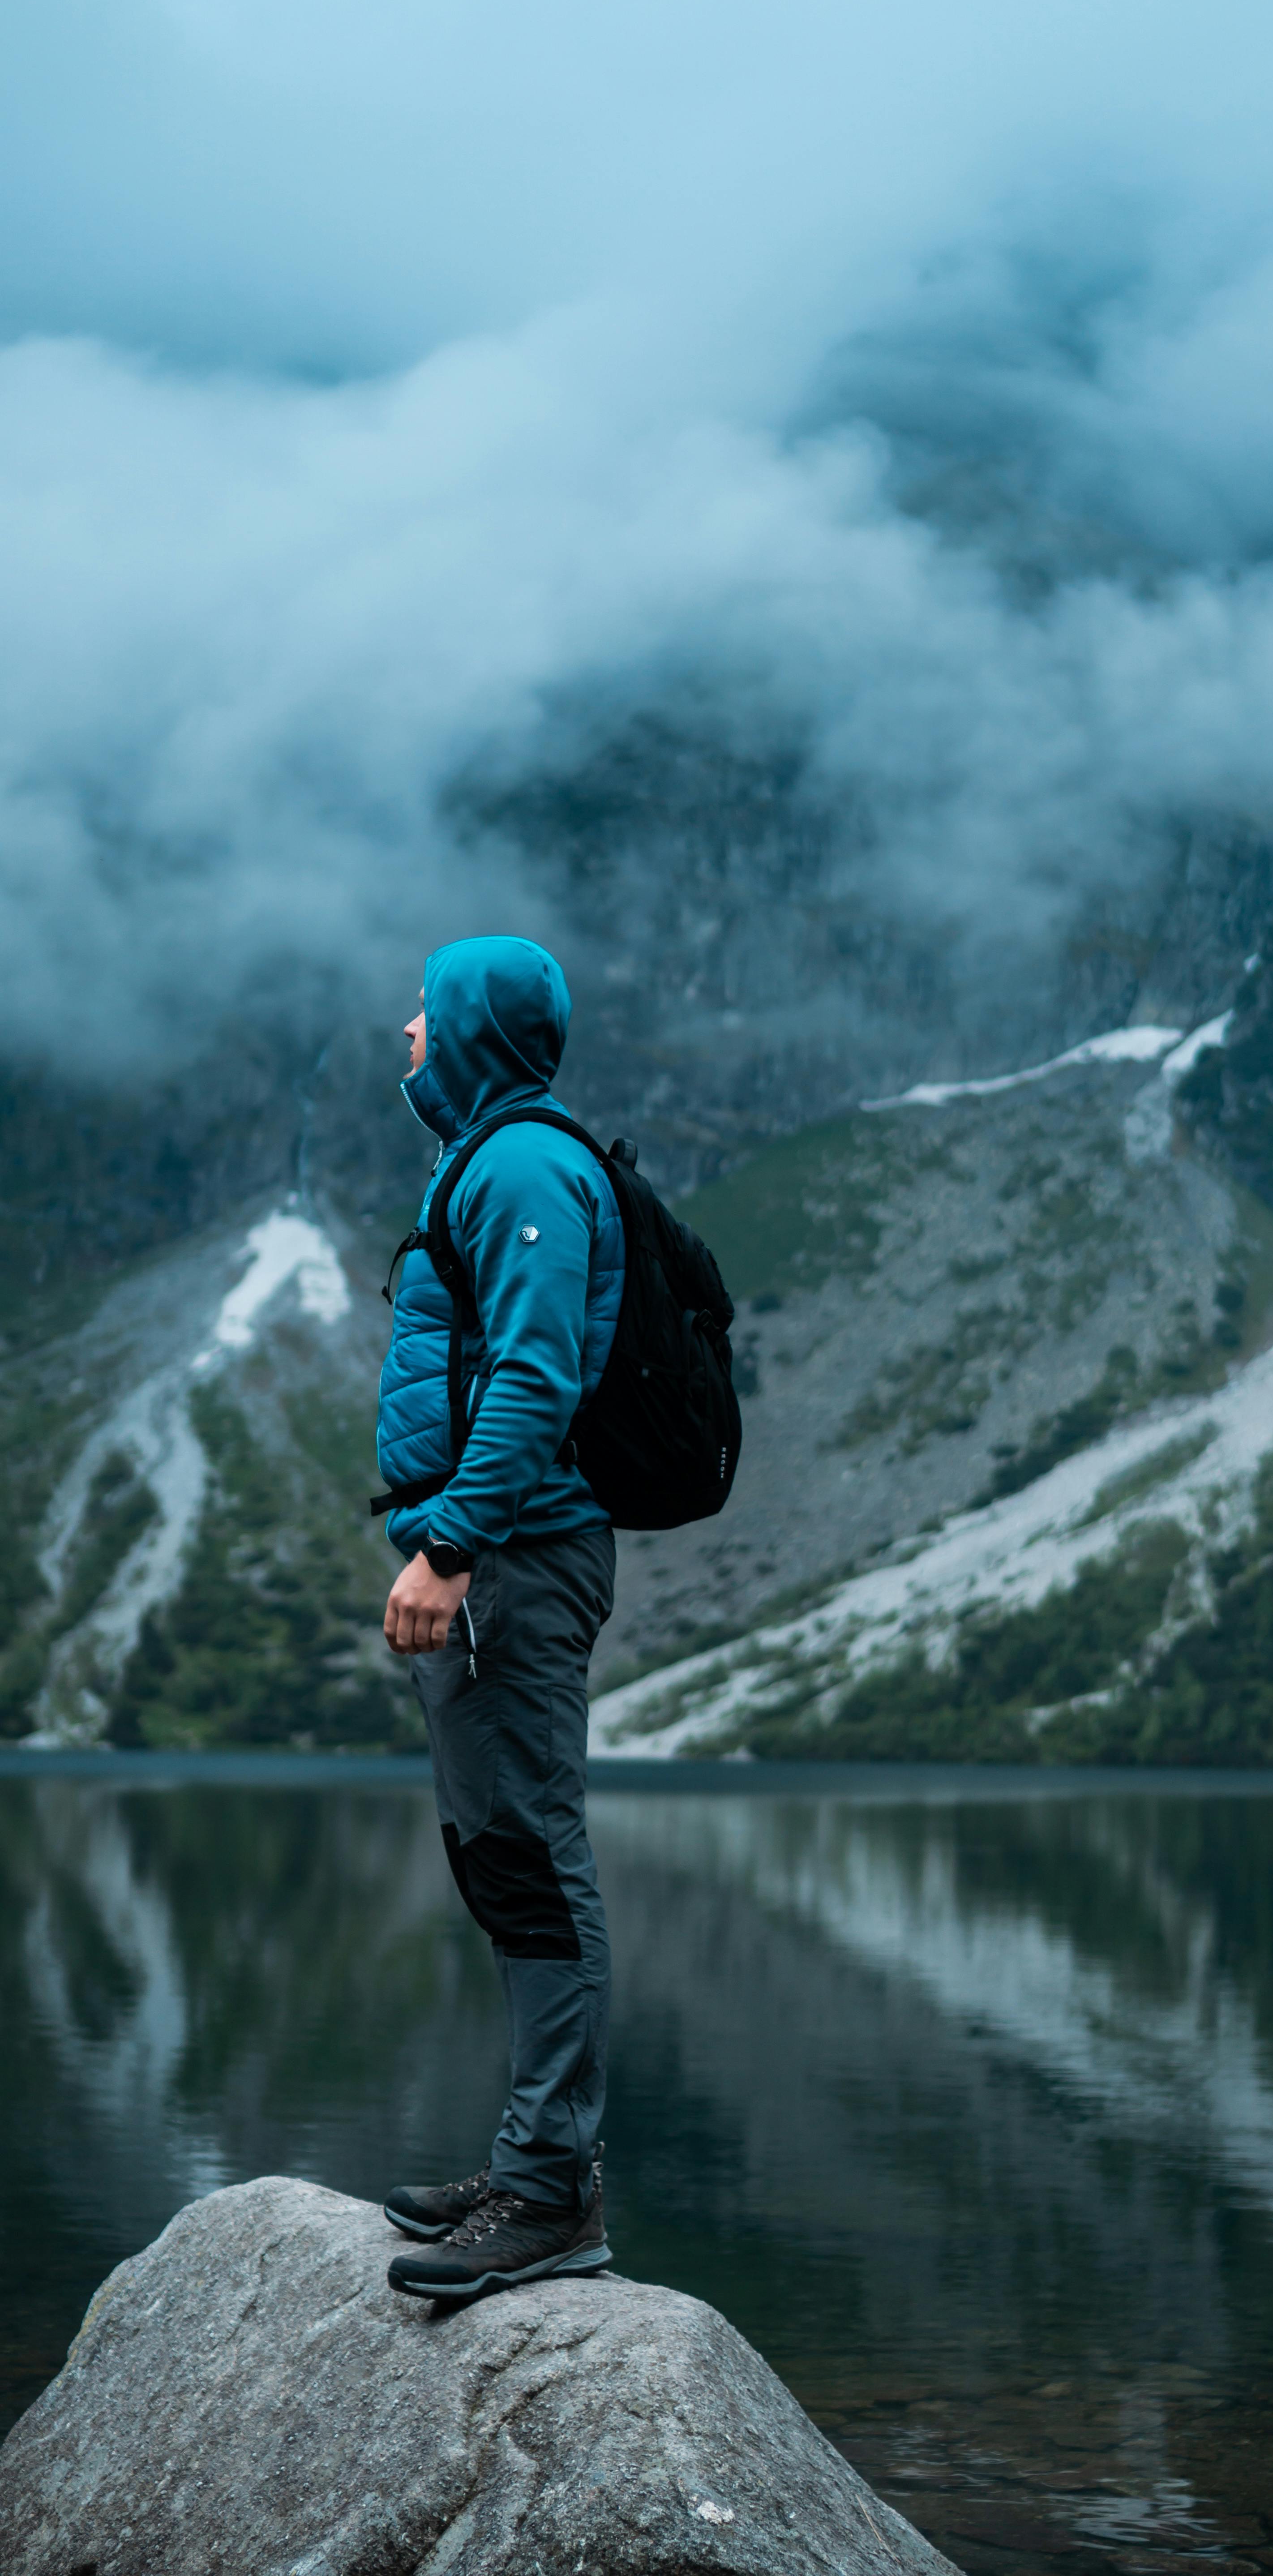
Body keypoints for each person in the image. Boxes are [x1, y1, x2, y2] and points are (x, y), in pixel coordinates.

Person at [374, 935, 625, 2300]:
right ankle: (539, 2160)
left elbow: (533, 1378)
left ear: (474, 1023)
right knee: (506, 1864)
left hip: (516, 1559)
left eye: (428, 1003)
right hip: (499, 1557)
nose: (407, 1024)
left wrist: (453, 1545)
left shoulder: (525, 1165)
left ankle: (548, 2196)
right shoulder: (487, 1158)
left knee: (535, 1857)